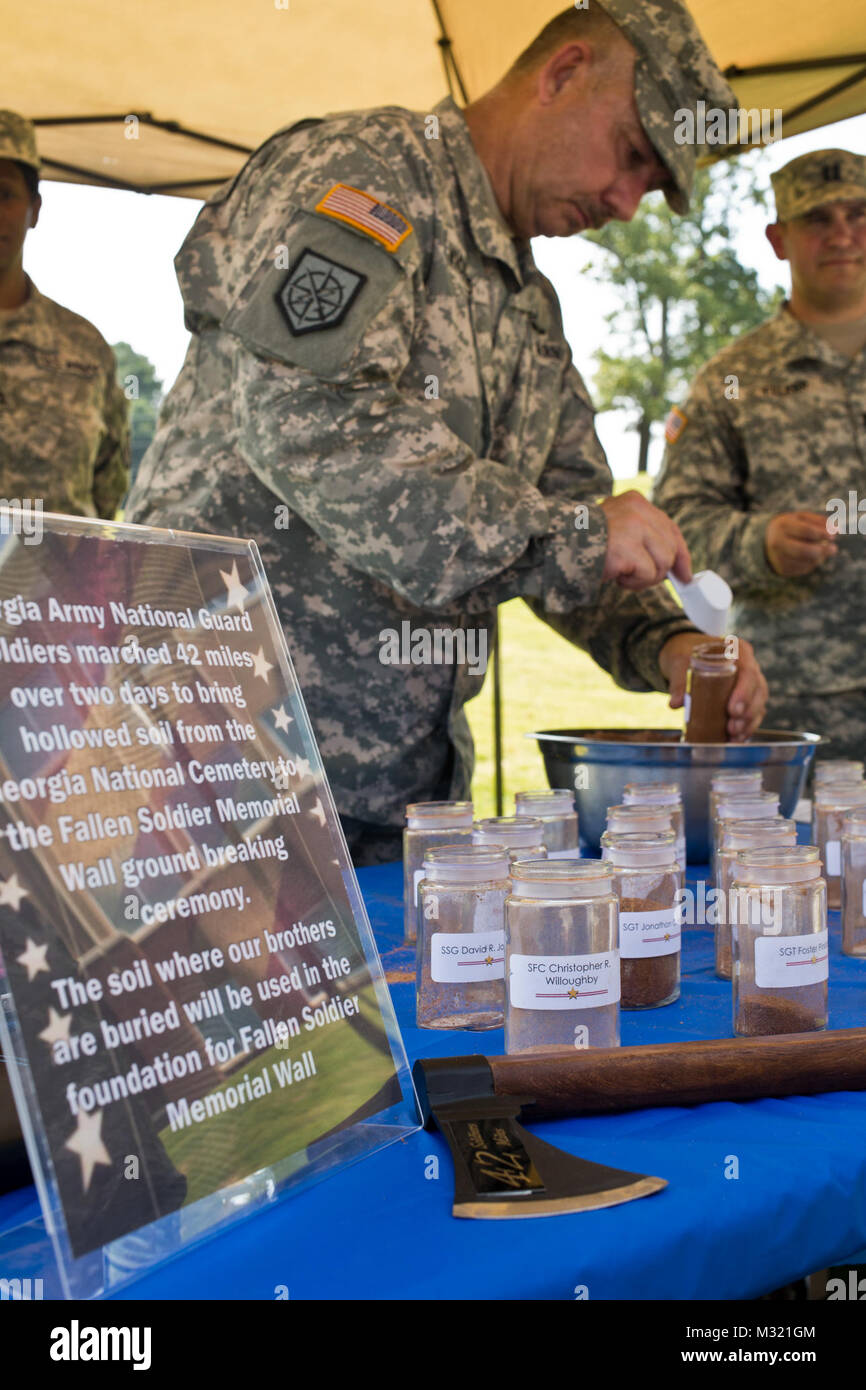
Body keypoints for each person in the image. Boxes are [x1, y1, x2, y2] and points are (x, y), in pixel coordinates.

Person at [125, 1, 767, 865]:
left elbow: (576, 523)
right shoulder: (364, 177)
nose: (624, 203)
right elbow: (312, 422)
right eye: (631, 155)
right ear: (563, 72)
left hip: (393, 804)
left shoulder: (529, 310)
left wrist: (671, 642)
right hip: (212, 781)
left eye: (648, 187)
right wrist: (573, 534)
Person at [654, 149, 866, 759]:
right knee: (798, 857)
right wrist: (760, 543)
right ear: (779, 239)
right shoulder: (731, 380)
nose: (844, 235)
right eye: (819, 219)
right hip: (793, 709)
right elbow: (678, 525)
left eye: (858, 214)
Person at [0, 111, 129, 520]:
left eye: (4, 194)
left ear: (34, 209)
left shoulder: (84, 348)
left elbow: (109, 487)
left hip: (56, 582)